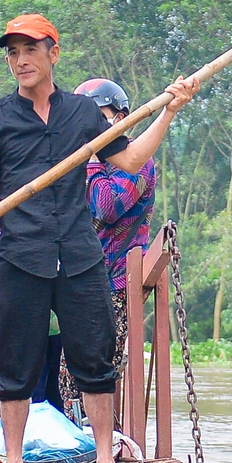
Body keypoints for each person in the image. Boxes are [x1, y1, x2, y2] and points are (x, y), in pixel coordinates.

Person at [0, 13, 195, 463]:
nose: (21, 60)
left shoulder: (83, 115)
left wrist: (169, 111)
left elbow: (131, 159)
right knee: (16, 365)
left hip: (79, 256)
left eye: (31, 50)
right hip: (19, 255)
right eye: (13, 52)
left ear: (54, 53)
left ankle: (106, 462)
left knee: (95, 361)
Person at [81, 79, 157, 377]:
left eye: (97, 117)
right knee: (64, 369)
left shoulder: (137, 162)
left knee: (94, 367)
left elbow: (106, 207)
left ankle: (92, 423)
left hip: (115, 282)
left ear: (119, 119)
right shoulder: (75, 163)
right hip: (78, 277)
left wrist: (89, 159)